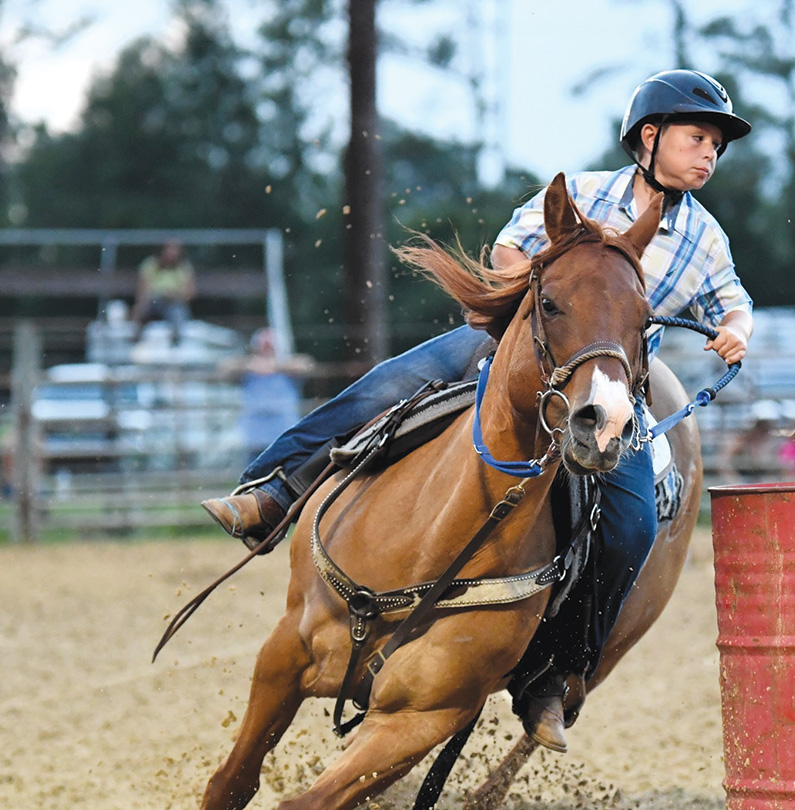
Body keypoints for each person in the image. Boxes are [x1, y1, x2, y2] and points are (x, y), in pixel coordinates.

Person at [201, 69, 754, 751]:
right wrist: (539, 299)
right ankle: (274, 491)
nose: (709, 154)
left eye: (717, 146)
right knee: (388, 385)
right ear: (650, 136)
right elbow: (507, 245)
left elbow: (732, 299)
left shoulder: (705, 239)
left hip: (608, 393)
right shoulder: (578, 193)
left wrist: (737, 330)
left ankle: (551, 672)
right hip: (522, 345)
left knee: (633, 526)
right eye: (698, 137)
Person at [222, 328, 316, 465]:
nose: (266, 353)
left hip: (283, 431)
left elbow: (306, 365)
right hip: (255, 435)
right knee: (254, 475)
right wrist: (250, 365)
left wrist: (276, 365)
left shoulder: (288, 367)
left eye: (270, 349)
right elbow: (226, 368)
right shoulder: (248, 368)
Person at [131, 239, 196, 341]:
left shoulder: (184, 268)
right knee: (142, 310)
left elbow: (189, 293)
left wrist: (174, 295)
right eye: (170, 249)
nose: (173, 253)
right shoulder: (150, 264)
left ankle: (175, 342)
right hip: (153, 301)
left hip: (174, 303)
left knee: (178, 313)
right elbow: (143, 290)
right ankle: (135, 339)